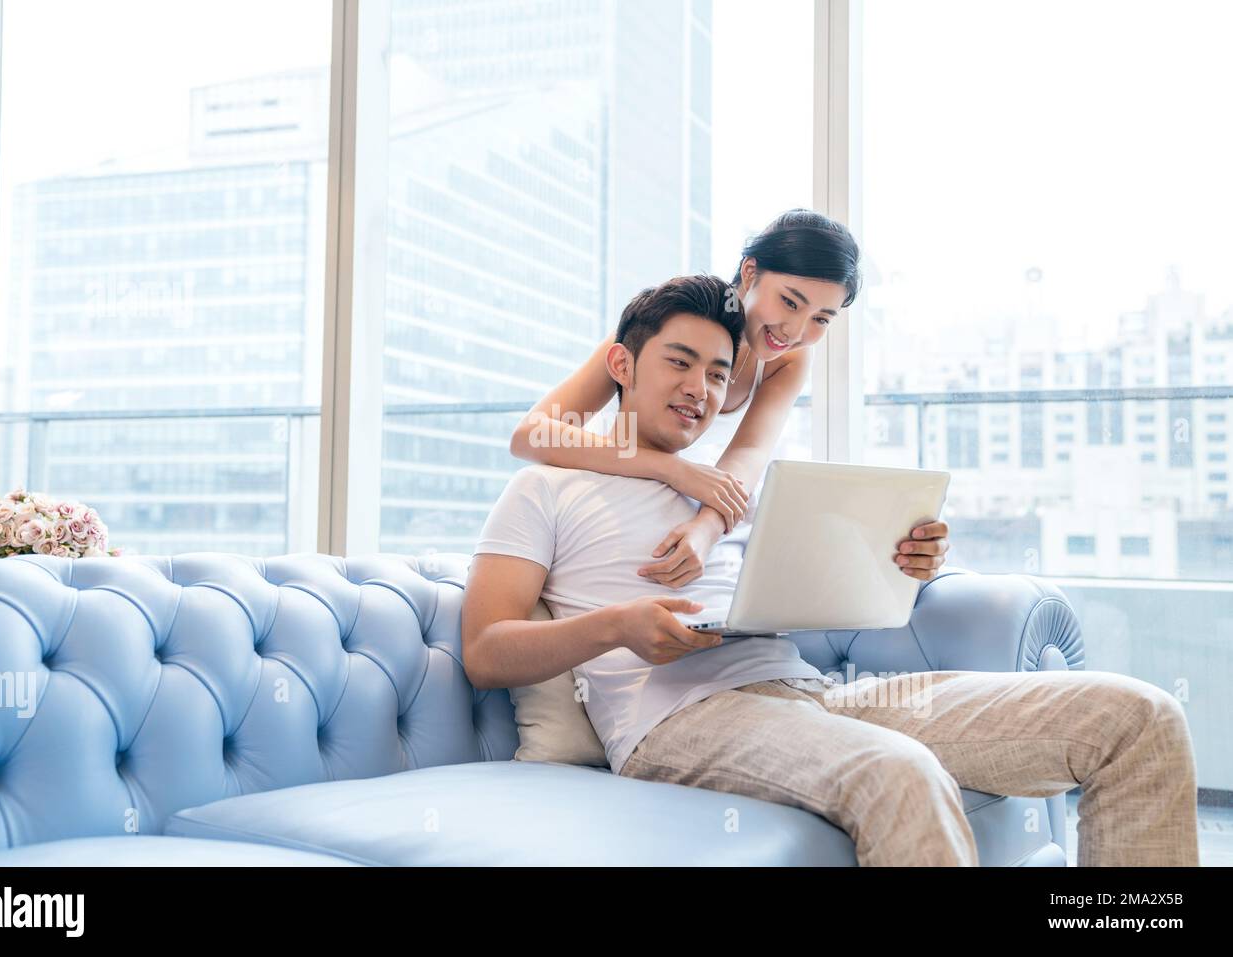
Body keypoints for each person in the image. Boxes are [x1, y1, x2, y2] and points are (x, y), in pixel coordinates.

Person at [463, 273, 1200, 866]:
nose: (700, 387)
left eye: (718, 374)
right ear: (622, 364)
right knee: (899, 772)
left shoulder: (728, 498)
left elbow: (823, 582)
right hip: (677, 722)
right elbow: (485, 651)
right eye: (679, 362)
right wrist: (616, 626)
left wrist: (909, 561)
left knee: (1137, 717)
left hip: (821, 694)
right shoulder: (546, 488)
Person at [509, 208, 930, 590]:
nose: (794, 331)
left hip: (693, 526)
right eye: (788, 301)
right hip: (614, 504)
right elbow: (532, 435)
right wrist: (671, 469)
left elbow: (746, 457)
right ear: (750, 272)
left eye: (821, 319)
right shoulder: (674, 323)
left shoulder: (791, 359)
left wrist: (705, 532)